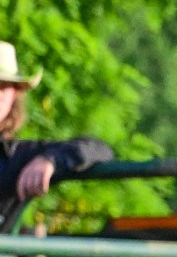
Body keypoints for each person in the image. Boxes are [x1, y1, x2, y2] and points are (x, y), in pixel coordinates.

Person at [0, 41, 113, 232]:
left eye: (4, 86)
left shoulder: (16, 156)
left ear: (14, 95)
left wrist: (49, 160)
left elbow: (100, 149)